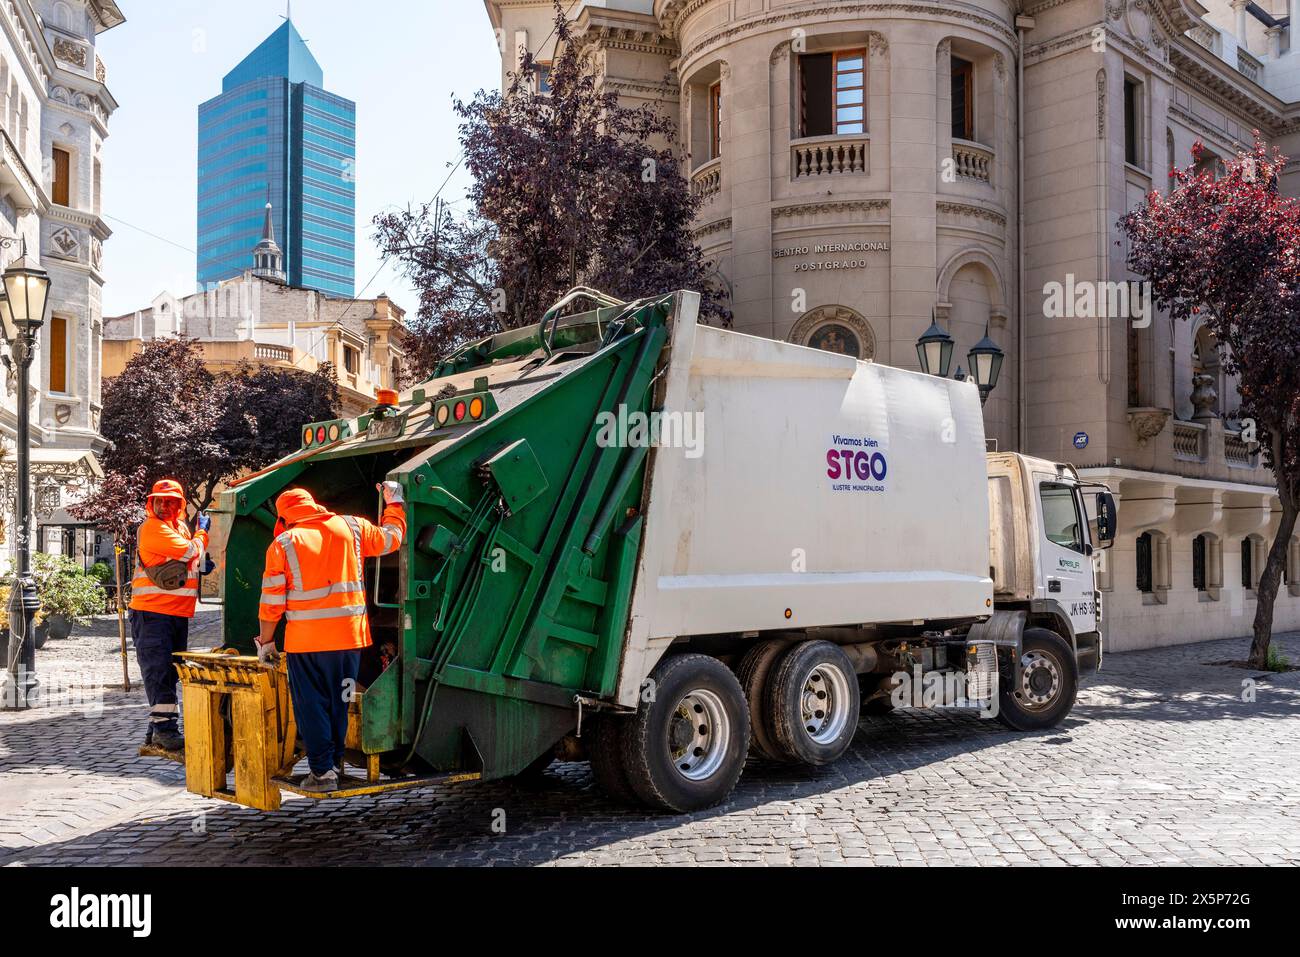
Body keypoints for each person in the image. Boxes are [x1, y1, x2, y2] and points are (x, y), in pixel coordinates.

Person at [255, 482, 406, 792]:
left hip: (306, 644)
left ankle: (323, 772)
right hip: (349, 642)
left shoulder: (283, 544)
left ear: (284, 518)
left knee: (312, 705)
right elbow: (392, 539)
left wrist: (266, 642)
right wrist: (395, 504)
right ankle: (334, 763)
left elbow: (271, 604)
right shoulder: (352, 527)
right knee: (340, 702)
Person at [129, 479, 209, 752]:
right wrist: (202, 535)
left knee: (167, 674)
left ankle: (156, 729)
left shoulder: (177, 529)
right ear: (151, 504)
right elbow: (190, 552)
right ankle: (165, 730)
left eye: (171, 501)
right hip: (153, 613)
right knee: (159, 673)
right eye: (160, 500)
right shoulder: (152, 528)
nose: (165, 505)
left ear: (180, 505)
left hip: (173, 615)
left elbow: (191, 561)